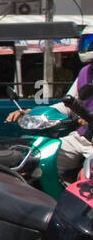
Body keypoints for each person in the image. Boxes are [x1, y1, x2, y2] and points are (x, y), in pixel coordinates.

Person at [6, 25, 93, 177]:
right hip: (81, 137)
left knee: (87, 175)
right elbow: (69, 105)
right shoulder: (85, 72)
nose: (87, 46)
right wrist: (34, 113)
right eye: (86, 41)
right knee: (36, 158)